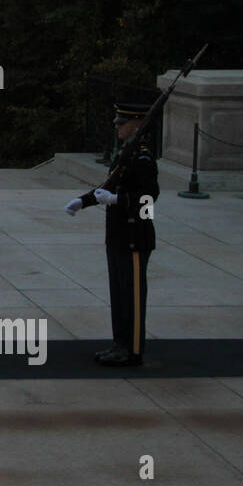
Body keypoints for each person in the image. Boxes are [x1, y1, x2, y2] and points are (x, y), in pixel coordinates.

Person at [64, 102, 160, 366]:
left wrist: (117, 200)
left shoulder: (143, 157)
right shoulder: (125, 154)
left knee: (134, 298)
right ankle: (120, 345)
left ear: (137, 125)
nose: (116, 125)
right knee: (119, 296)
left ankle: (134, 350)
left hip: (135, 237)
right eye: (117, 121)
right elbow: (107, 187)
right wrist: (83, 201)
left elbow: (149, 199)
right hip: (117, 236)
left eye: (122, 122)